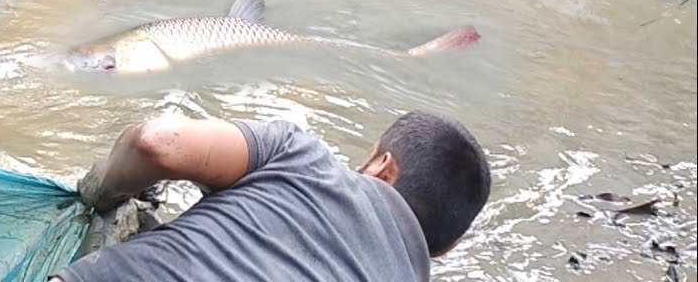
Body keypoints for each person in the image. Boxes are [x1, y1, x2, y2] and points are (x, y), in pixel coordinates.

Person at [49, 110, 491, 282]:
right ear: (446, 248)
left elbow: (157, 143)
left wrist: (99, 193)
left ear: (382, 167)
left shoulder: (301, 155)